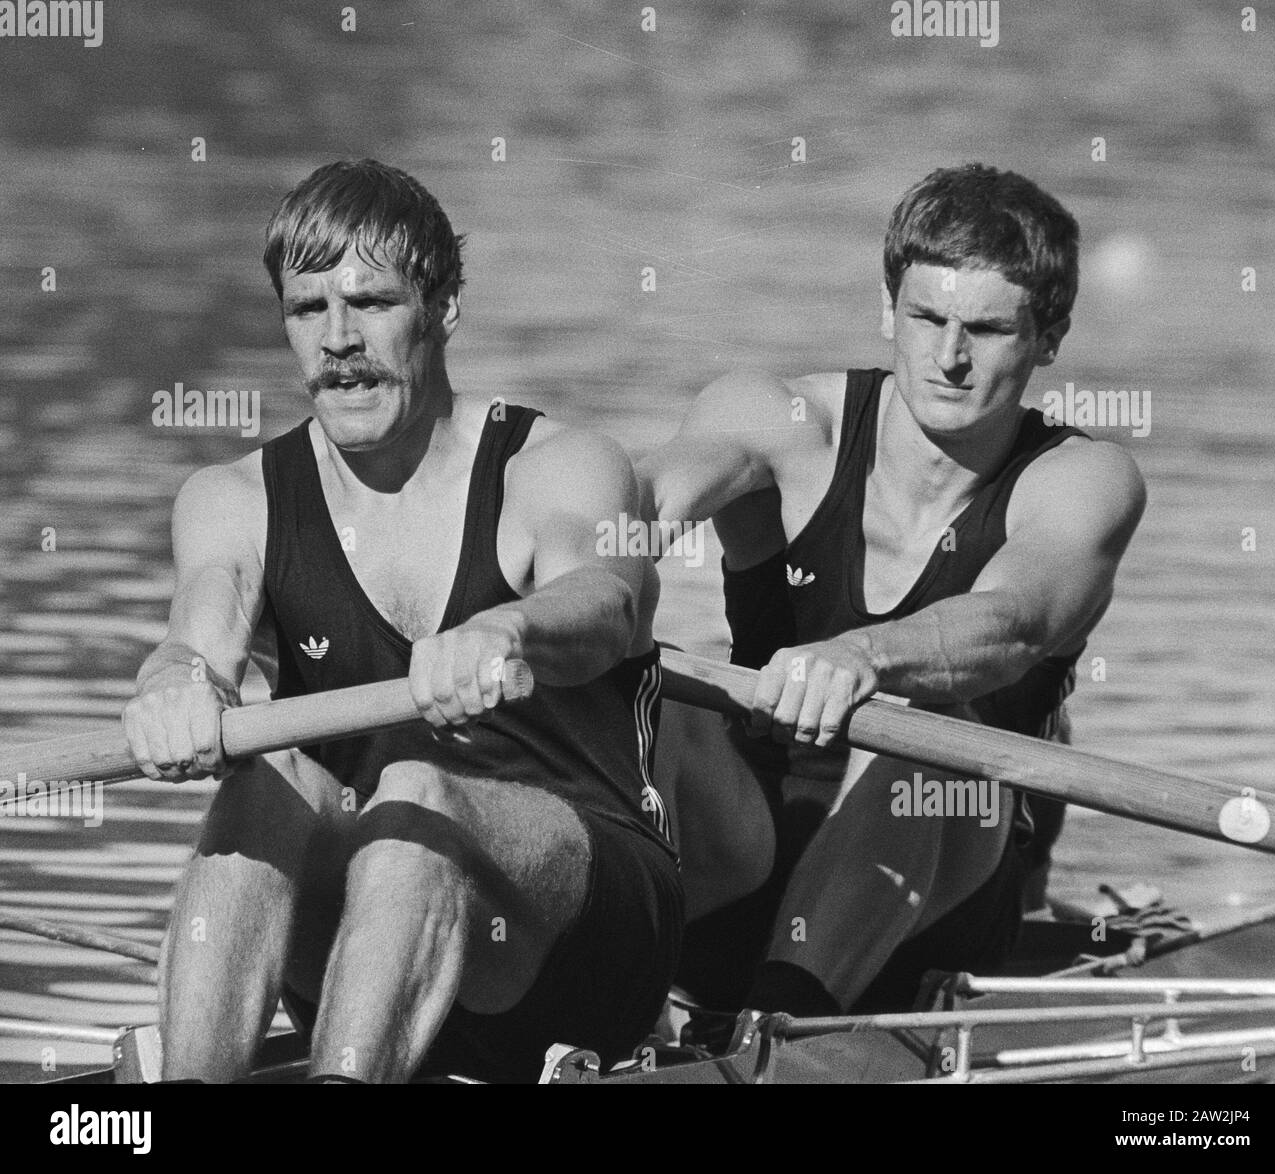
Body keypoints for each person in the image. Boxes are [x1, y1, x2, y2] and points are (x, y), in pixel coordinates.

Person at [123, 159, 681, 1083]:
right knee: (265, 784)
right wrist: (174, 687)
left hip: (583, 945)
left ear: (444, 307)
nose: (339, 341)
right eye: (308, 310)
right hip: (365, 940)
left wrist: (509, 632)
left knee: (417, 796)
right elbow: (195, 641)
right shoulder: (232, 499)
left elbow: (609, 601)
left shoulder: (561, 465)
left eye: (372, 303)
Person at [638, 163, 1145, 1018]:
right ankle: (614, 978)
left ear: (1050, 339)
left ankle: (784, 1036)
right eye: (927, 318)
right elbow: (630, 511)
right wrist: (540, 598)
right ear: (887, 310)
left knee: (927, 735)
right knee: (660, 686)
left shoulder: (1084, 481)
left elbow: (1014, 623)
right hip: (744, 848)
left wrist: (862, 655)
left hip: (937, 902)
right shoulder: (778, 420)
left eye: (987, 329)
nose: (949, 357)